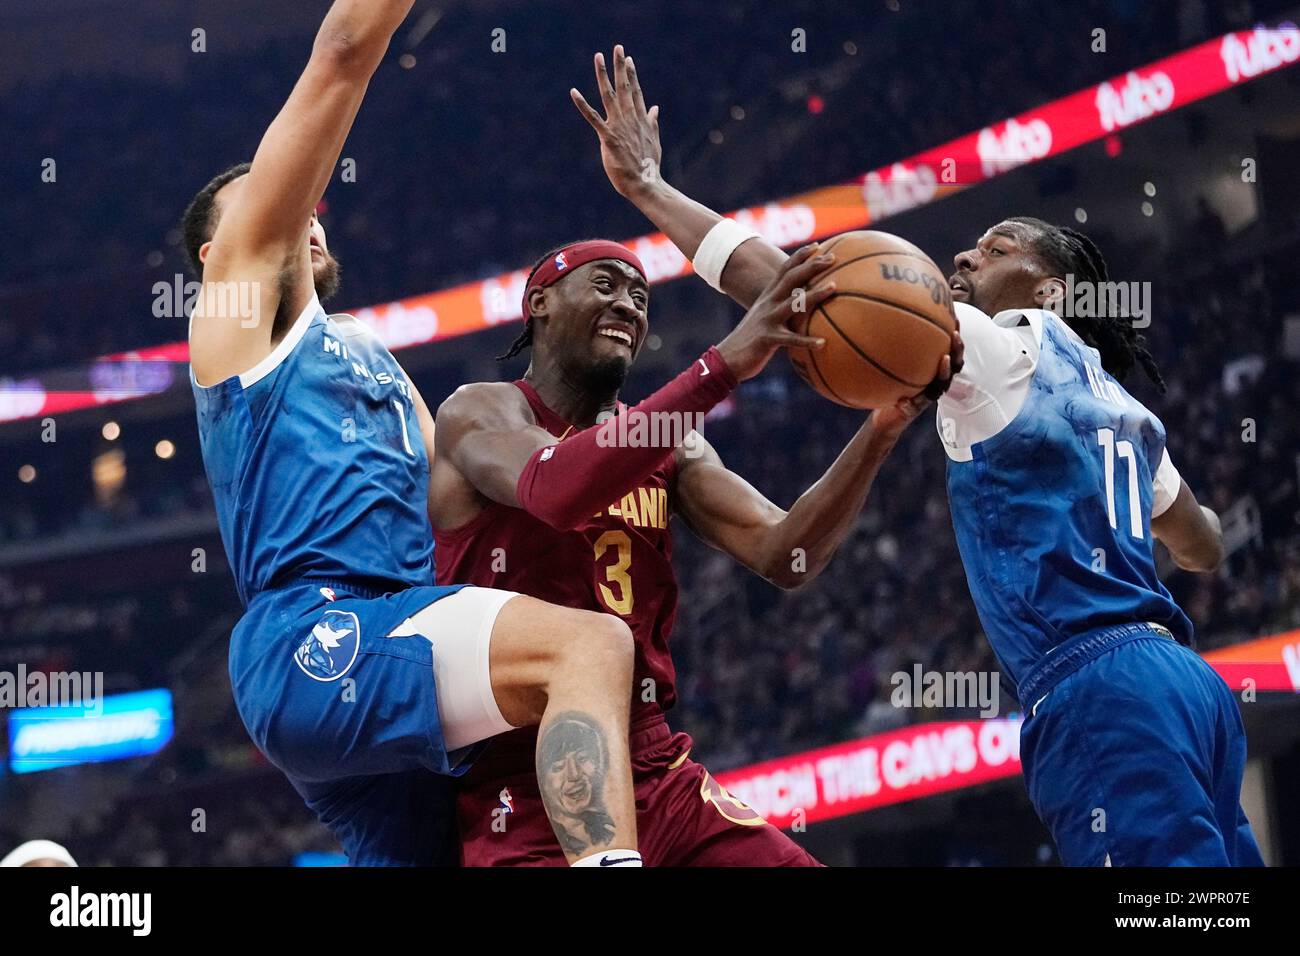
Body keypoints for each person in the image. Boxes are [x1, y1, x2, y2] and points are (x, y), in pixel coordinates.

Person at [578, 45, 1264, 867]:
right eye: (970, 243)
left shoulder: (1000, 345)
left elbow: (790, 288)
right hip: (1192, 687)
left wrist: (651, 189)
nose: (967, 257)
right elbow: (1205, 543)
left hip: (1099, 690)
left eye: (999, 245)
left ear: (1050, 292)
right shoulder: (1124, 409)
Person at [184, 2, 643, 867]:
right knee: (588, 646)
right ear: (217, 260)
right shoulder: (237, 318)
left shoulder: (368, 355)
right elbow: (345, 51)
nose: (298, 210)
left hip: (393, 636)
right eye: (265, 207)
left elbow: (461, 503)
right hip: (316, 634)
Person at [430, 227, 954, 865]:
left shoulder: (668, 446)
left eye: (640, 296)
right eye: (605, 285)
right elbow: (554, 490)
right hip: (527, 772)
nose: (628, 304)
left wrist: (881, 428)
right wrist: (725, 363)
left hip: (651, 761)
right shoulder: (480, 411)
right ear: (539, 302)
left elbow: (785, 553)